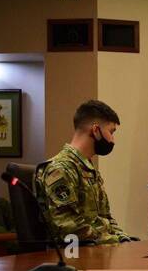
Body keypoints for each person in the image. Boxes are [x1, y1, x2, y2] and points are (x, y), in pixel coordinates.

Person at [40, 99, 135, 244]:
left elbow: (106, 218)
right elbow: (68, 226)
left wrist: (123, 238)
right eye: (111, 132)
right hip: (75, 255)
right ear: (96, 130)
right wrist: (113, 240)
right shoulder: (61, 168)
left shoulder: (88, 169)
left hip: (99, 249)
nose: (113, 140)